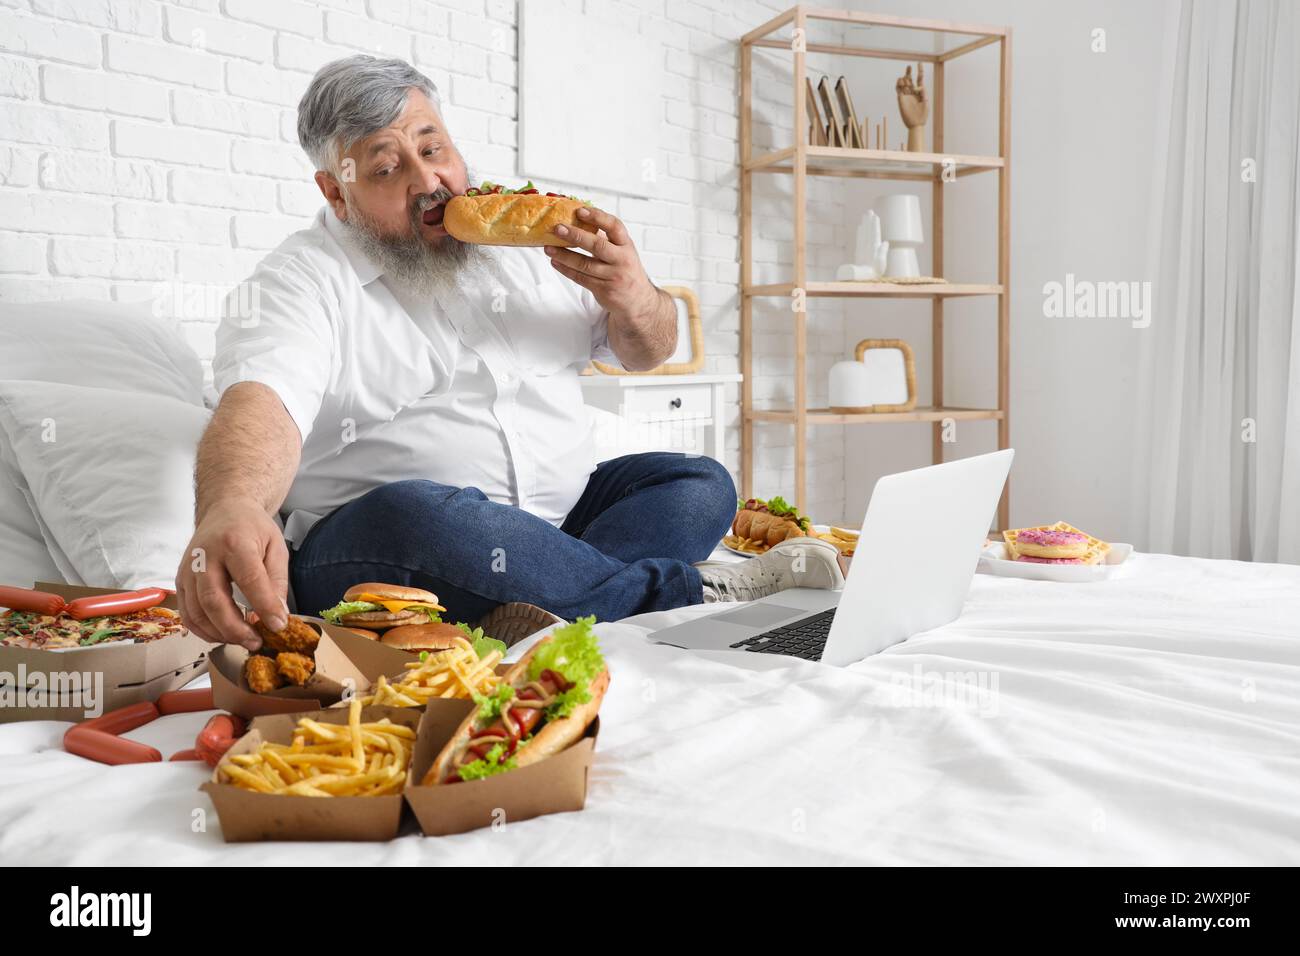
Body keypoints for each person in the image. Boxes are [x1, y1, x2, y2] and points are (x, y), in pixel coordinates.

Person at [175, 55, 843, 651]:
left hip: (557, 524)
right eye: (387, 166)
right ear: (336, 193)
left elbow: (649, 352)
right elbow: (262, 399)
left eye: (433, 147)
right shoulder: (300, 279)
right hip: (384, 550)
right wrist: (231, 506)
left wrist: (636, 295)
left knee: (698, 482)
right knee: (408, 513)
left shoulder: (522, 236)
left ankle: (554, 601)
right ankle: (683, 597)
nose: (427, 178)